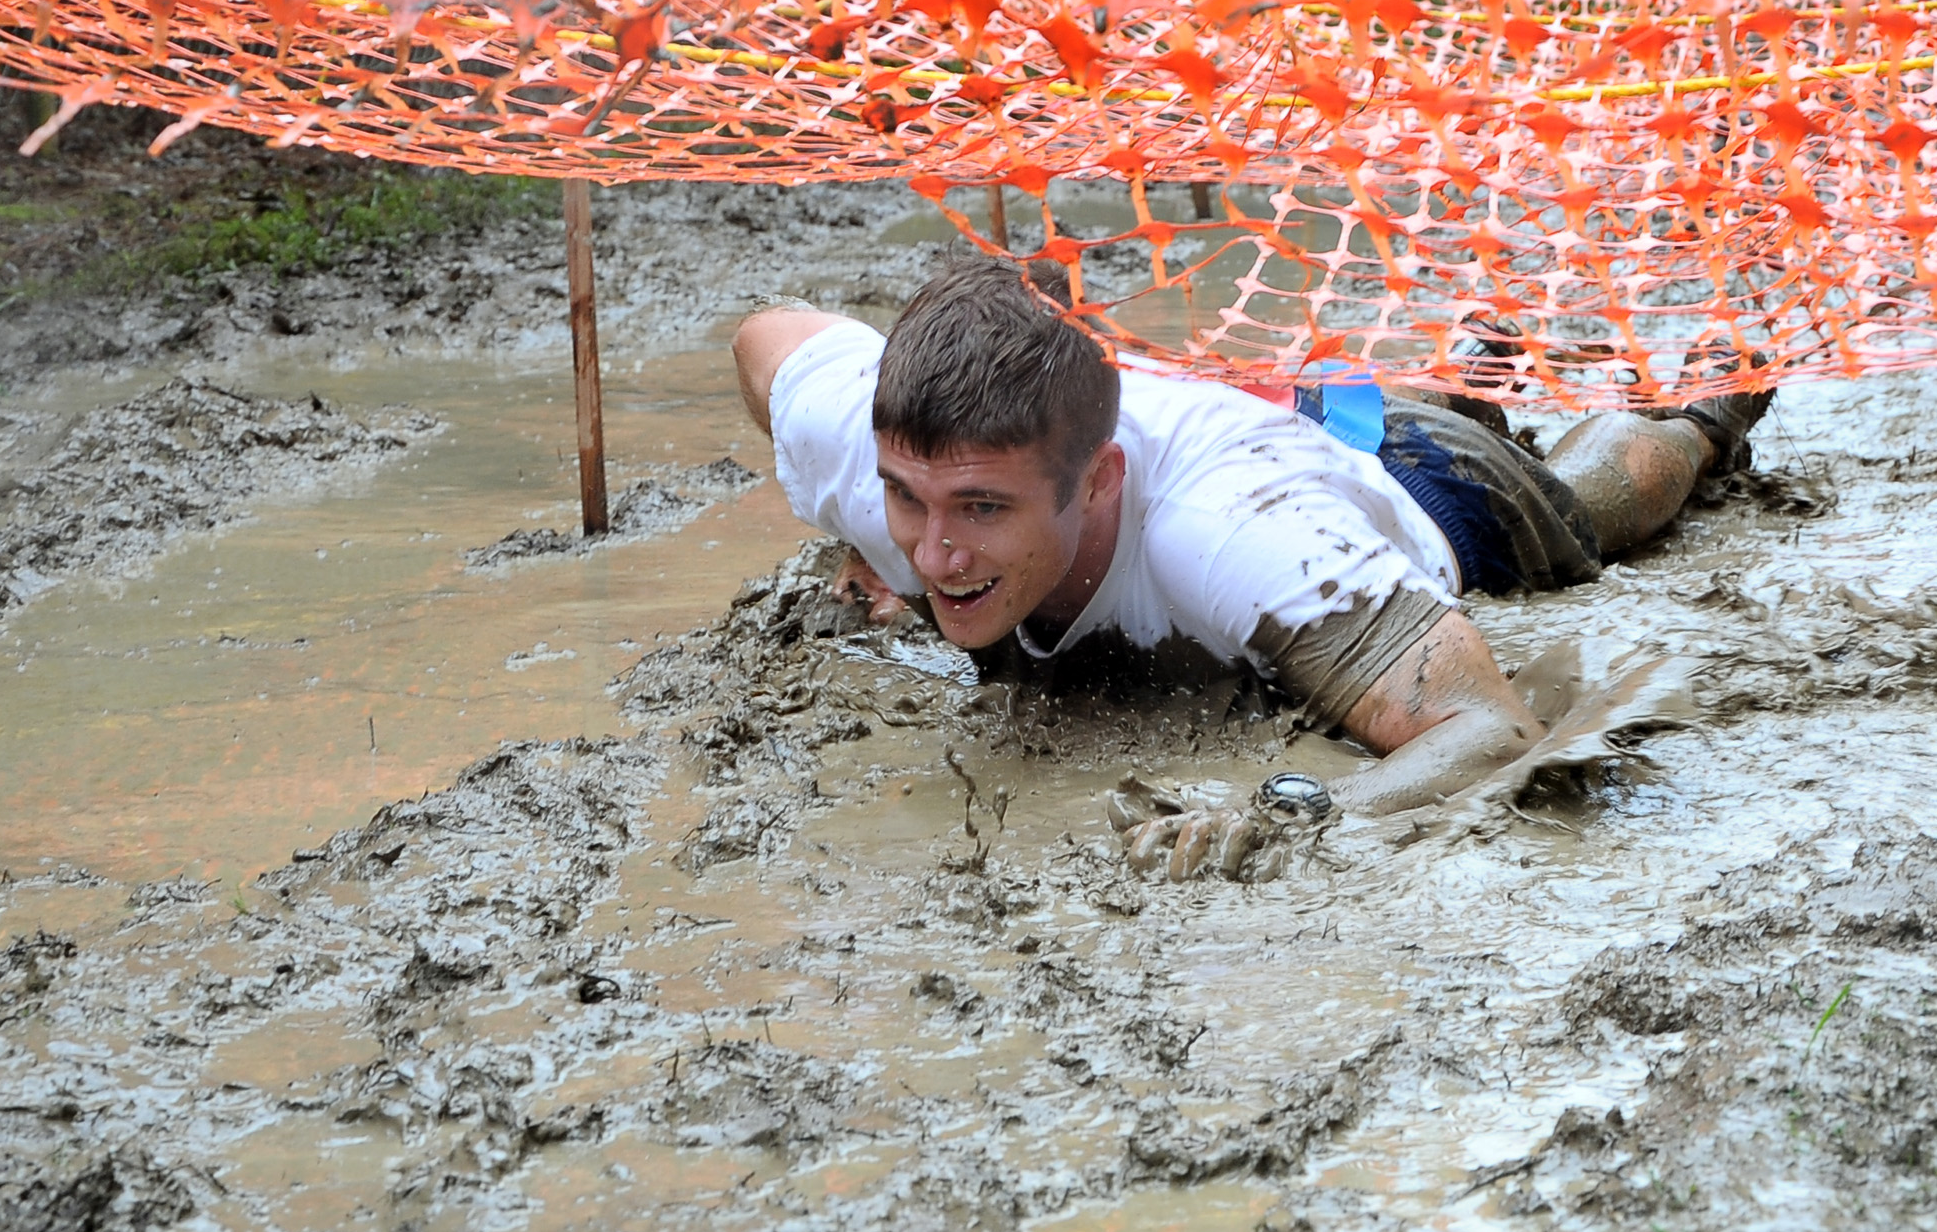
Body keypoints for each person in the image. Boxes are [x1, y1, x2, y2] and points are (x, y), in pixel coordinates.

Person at [729, 257, 1772, 875]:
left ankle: (1703, 413)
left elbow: (1491, 725)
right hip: (1265, 423)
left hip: (1418, 490)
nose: (935, 551)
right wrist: (863, 534)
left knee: (1587, 506)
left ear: (1098, 483)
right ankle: (1462, 372)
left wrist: (1285, 814)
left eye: (982, 510)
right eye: (906, 499)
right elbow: (766, 337)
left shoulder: (1226, 538)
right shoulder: (864, 444)